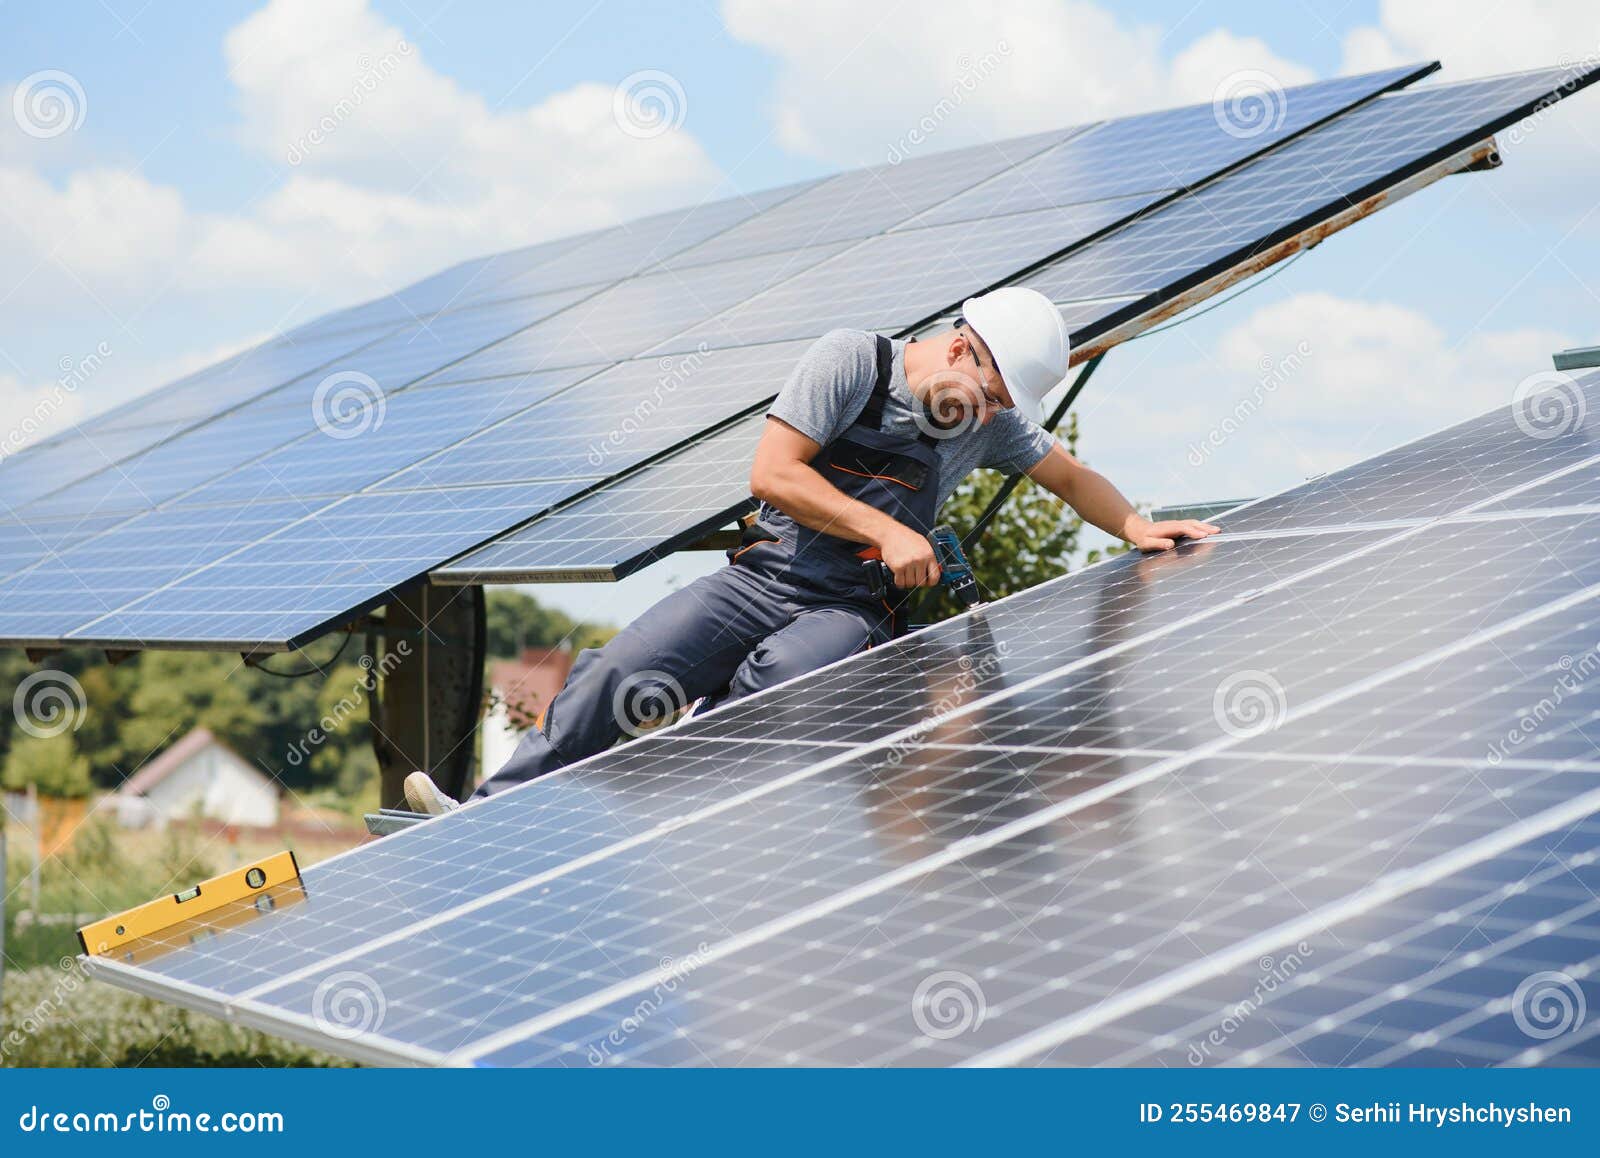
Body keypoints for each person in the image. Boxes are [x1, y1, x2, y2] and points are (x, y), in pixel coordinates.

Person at [404, 287, 1218, 814]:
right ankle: (479, 819)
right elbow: (772, 474)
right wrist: (887, 528)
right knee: (621, 672)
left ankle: (675, 815)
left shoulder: (992, 425)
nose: (989, 417)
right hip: (767, 576)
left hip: (850, 610)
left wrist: (1136, 528)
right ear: (963, 347)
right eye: (990, 396)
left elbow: (1071, 479)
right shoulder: (850, 364)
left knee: (779, 685)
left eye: (1003, 408)